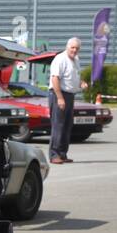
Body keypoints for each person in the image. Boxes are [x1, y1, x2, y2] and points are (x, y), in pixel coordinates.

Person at [48, 37, 88, 165]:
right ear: (67, 47)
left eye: (77, 48)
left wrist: (81, 83)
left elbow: (76, 76)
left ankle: (63, 154)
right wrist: (60, 98)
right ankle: (54, 155)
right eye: (72, 47)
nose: (74, 50)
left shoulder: (76, 60)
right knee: (58, 125)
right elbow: (55, 79)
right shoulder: (60, 59)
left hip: (70, 95)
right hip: (58, 94)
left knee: (67, 125)